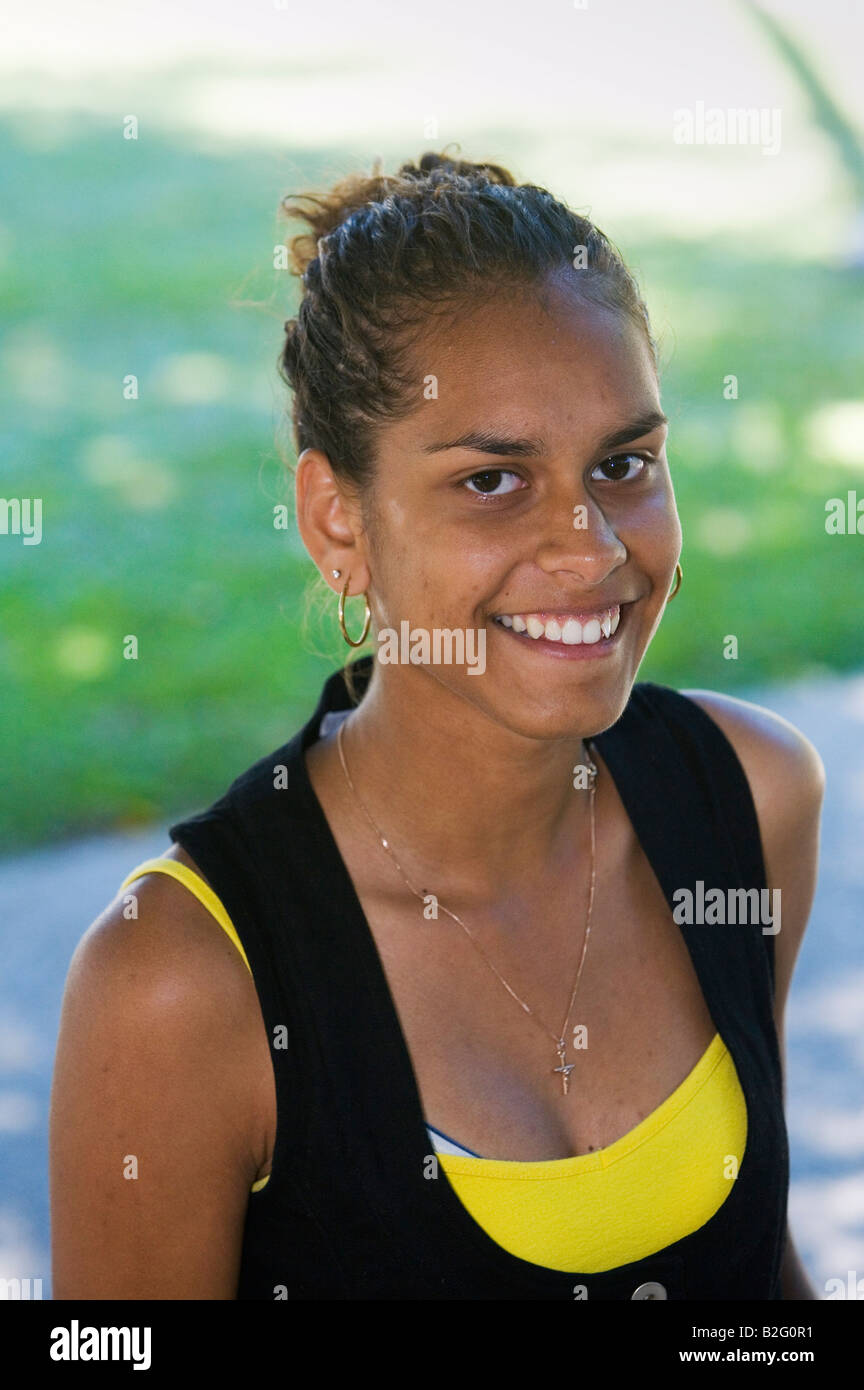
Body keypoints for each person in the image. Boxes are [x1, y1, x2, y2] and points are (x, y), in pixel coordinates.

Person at [50, 151, 824, 1300]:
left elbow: (758, 1277)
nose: (593, 549)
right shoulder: (182, 979)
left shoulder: (749, 797)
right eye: (492, 481)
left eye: (623, 464)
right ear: (337, 520)